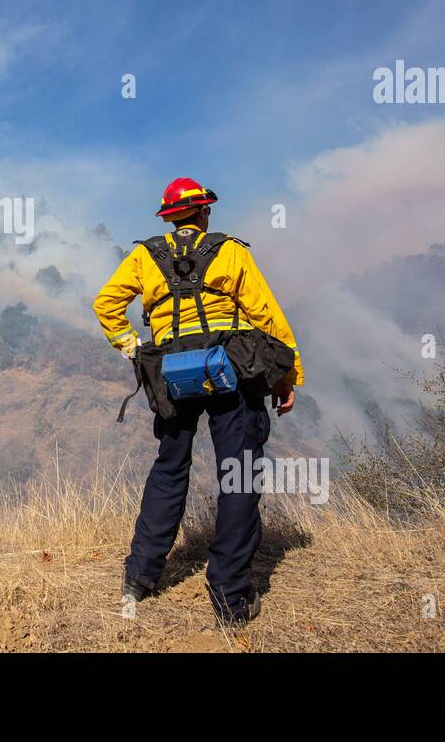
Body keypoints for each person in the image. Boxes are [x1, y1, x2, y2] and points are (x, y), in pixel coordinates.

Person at [92, 176, 303, 623]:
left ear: (169, 219)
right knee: (238, 472)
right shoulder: (229, 251)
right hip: (231, 368)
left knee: (170, 468)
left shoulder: (145, 255)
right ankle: (230, 594)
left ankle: (140, 578)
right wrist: (287, 377)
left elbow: (106, 304)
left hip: (171, 372)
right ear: (204, 213)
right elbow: (267, 315)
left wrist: (133, 346)